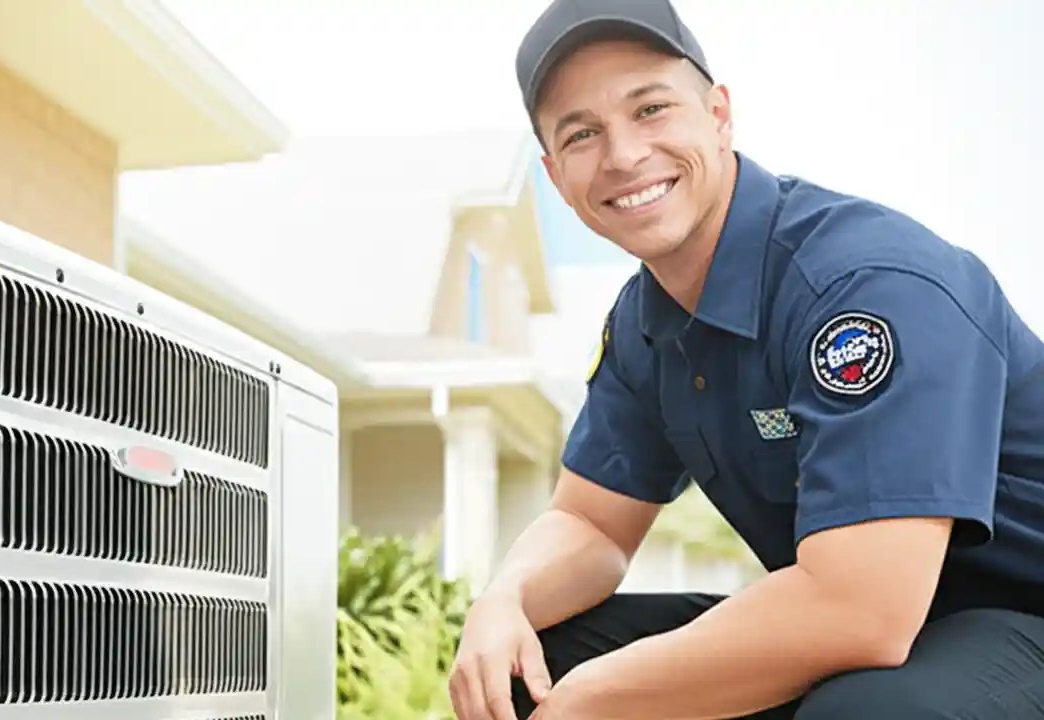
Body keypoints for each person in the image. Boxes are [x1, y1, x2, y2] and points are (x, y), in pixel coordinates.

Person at [447, 0, 1044, 718]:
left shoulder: (862, 285)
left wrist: (600, 696)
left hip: (1015, 618)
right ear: (554, 173)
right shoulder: (644, 326)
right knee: (524, 666)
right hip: (881, 636)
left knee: (869, 711)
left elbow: (864, 611)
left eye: (651, 109)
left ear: (719, 114)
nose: (624, 155)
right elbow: (592, 524)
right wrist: (502, 600)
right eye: (582, 134)